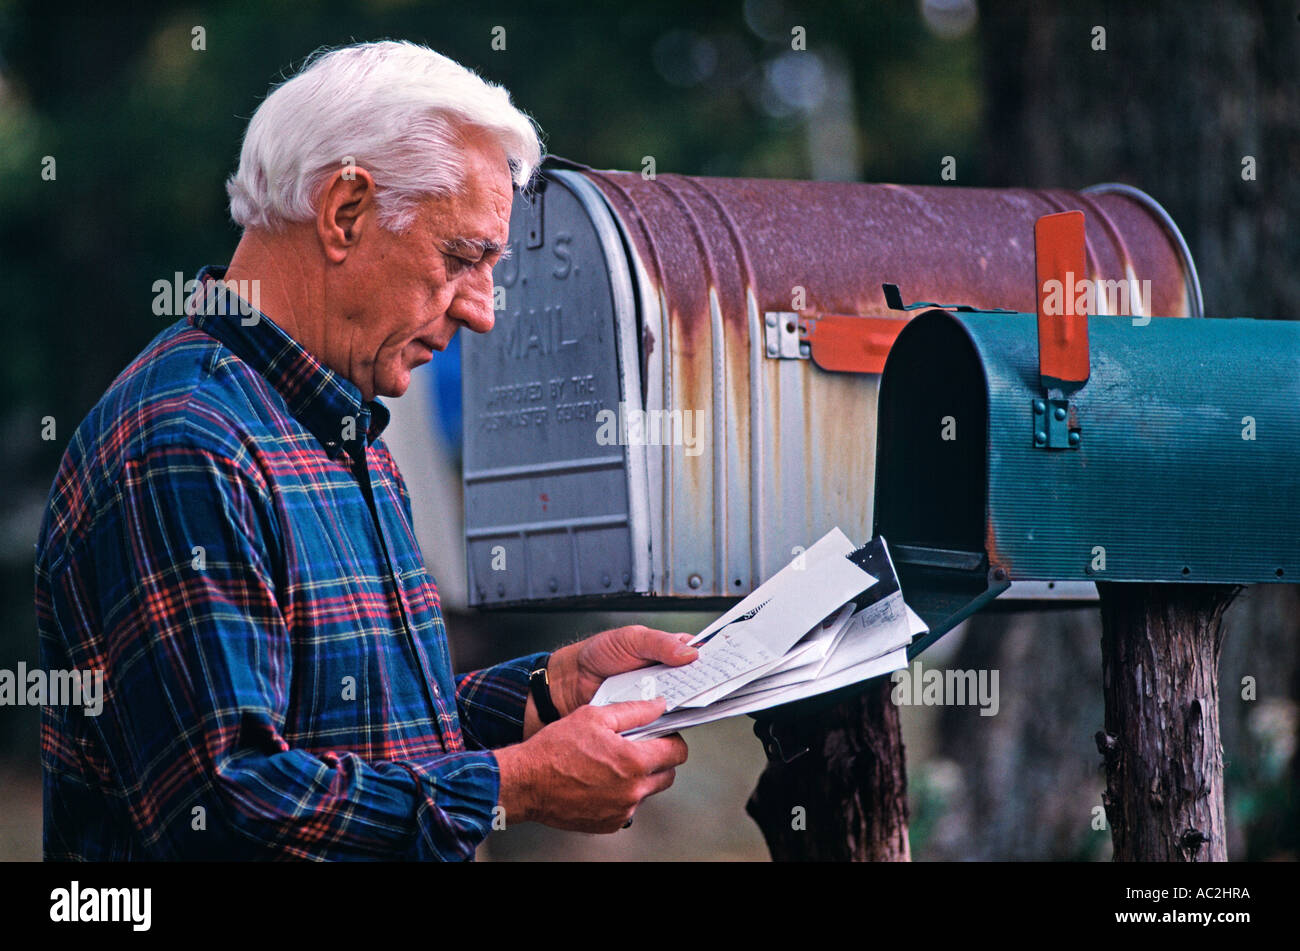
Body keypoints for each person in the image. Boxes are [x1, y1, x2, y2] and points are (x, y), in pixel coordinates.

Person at [34, 39, 693, 861]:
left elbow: (360, 730)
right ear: (345, 211)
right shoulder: (186, 439)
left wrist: (544, 693)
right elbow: (230, 809)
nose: (482, 311)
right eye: (461, 258)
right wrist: (512, 784)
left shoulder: (333, 420)